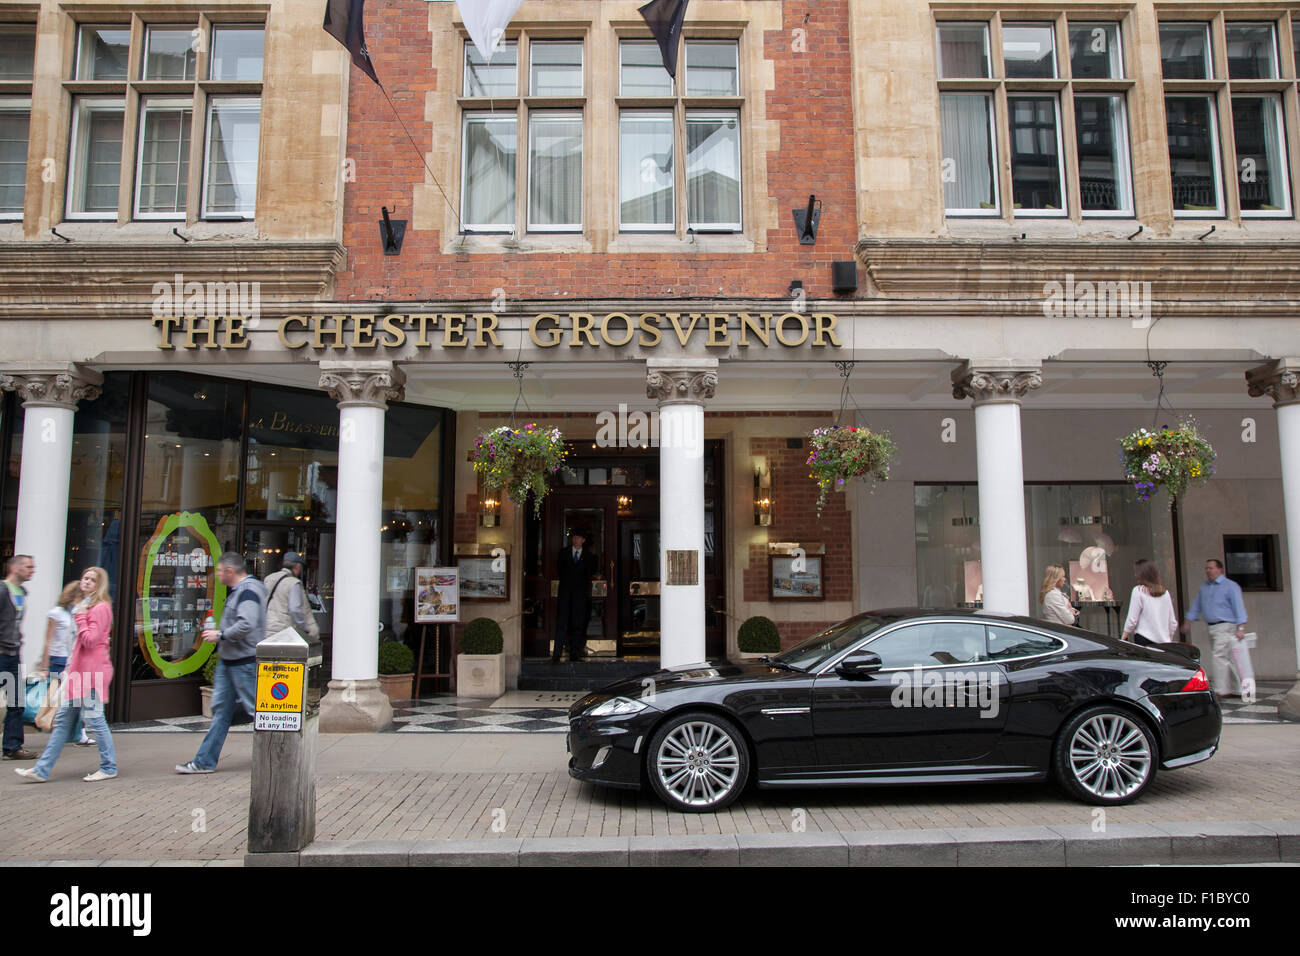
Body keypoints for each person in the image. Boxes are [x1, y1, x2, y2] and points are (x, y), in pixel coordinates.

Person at [15, 567, 117, 782]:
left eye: (92, 580)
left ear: (100, 585)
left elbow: (91, 640)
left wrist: (81, 619)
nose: (86, 582)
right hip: (78, 673)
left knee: (95, 720)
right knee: (63, 721)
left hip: (91, 672)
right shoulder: (84, 606)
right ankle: (42, 769)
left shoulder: (99, 608)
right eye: (84, 578)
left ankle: (109, 766)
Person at [176, 552, 266, 774]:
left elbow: (246, 624)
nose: (216, 575)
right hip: (232, 661)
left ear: (229, 571)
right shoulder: (243, 591)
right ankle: (204, 761)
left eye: (218, 571)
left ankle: (279, 755)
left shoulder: (248, 591)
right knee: (223, 712)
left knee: (259, 712)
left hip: (243, 661)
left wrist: (221, 634)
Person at [1181, 558, 1253, 698]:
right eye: (1207, 568)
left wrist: (1241, 627)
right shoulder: (1204, 587)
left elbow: (1239, 607)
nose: (1208, 571)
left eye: (1211, 568)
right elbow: (1197, 605)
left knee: (1219, 656)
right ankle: (1239, 689)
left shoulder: (1230, 586)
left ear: (1220, 570)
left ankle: (1222, 689)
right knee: (1229, 659)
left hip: (1226, 626)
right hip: (1213, 628)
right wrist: (1189, 621)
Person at [34, 581, 93, 747]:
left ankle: (77, 732)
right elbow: (48, 640)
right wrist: (44, 665)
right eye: (81, 594)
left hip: (73, 659)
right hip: (59, 659)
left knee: (75, 699)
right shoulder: (57, 613)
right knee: (60, 698)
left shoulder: (79, 612)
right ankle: (57, 727)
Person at [1, 554, 38, 760]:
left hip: (13, 654)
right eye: (28, 567)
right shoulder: (2, 590)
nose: (32, 570)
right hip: (2, 653)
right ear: (15, 568)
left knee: (16, 701)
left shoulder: (22, 592)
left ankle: (12, 747)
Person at [553, 531, 597, 663]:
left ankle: (574, 653)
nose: (576, 540)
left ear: (583, 540)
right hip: (565, 594)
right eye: (574, 538)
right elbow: (560, 571)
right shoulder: (564, 553)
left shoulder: (589, 556)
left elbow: (590, 573)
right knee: (562, 623)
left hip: (580, 595)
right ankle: (557, 653)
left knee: (578, 624)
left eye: (579, 538)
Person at [263, 552, 319, 644]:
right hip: (284, 631)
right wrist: (305, 627)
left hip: (268, 629)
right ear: (297, 566)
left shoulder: (269, 579)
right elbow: (295, 609)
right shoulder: (293, 583)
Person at [1121, 559, 1178, 647]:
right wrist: (1169, 639)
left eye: (1136, 572)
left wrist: (1123, 638)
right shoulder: (1165, 593)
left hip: (1143, 640)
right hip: (1164, 643)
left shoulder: (1138, 591)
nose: (1135, 575)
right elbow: (1172, 622)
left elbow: (1132, 619)